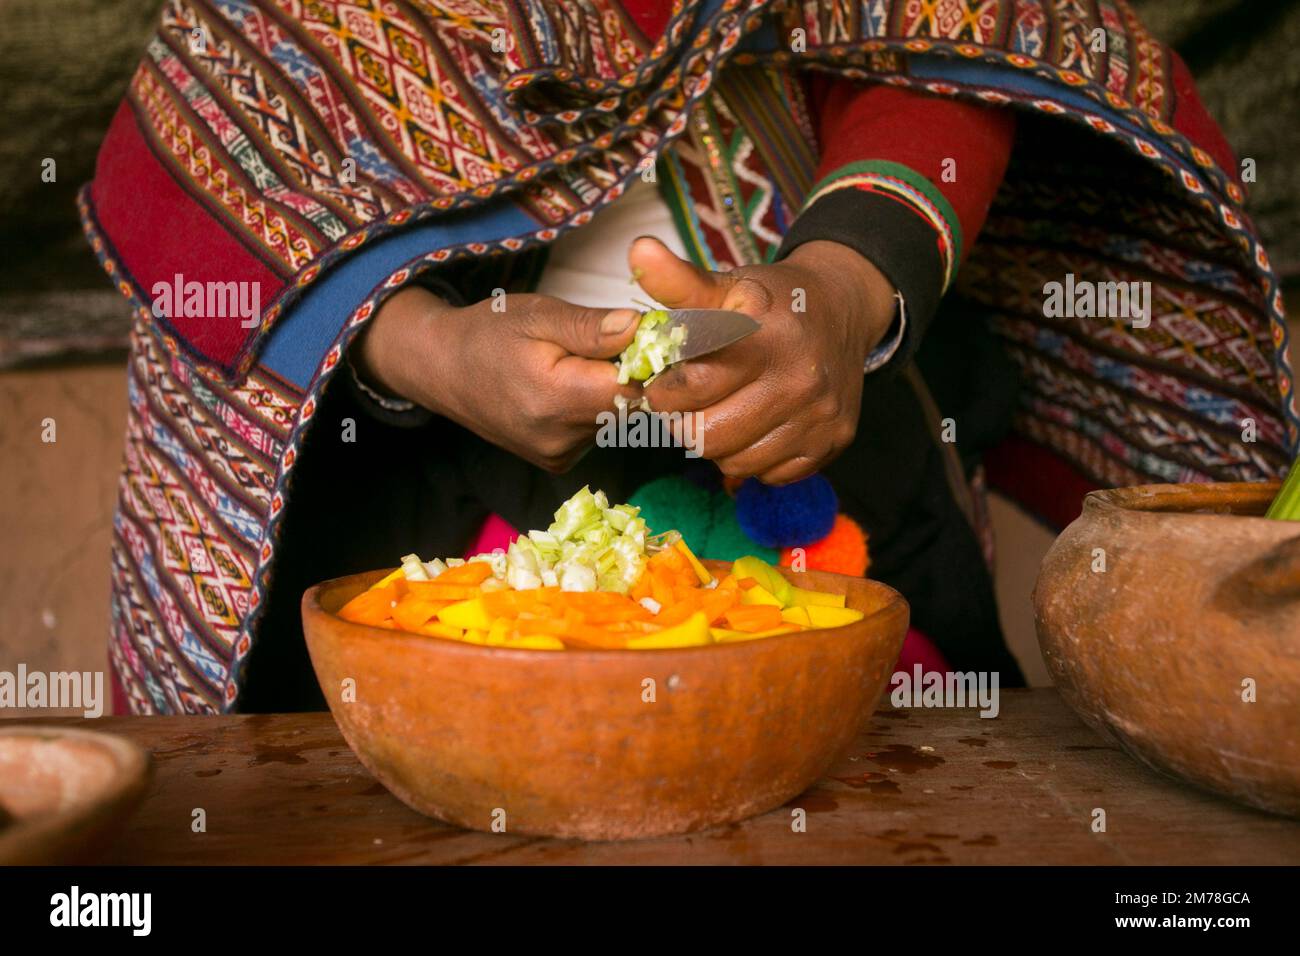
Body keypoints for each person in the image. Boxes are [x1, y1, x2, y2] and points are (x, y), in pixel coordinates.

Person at [81, 0, 1292, 715]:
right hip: (428, 507)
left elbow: (954, 36)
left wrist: (844, 284)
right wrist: (424, 346)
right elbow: (220, 150)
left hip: (825, 454)